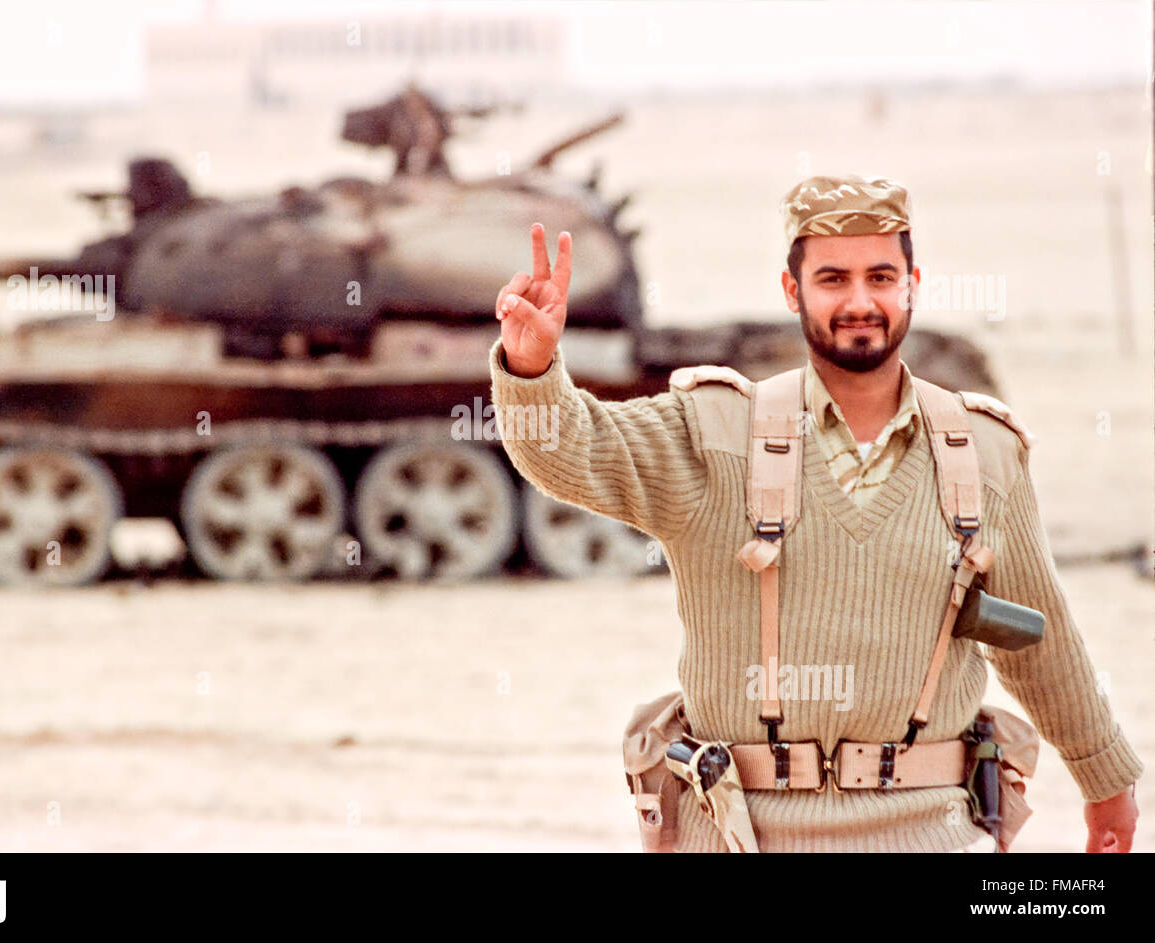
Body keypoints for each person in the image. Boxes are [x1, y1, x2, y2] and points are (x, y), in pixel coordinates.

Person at [488, 175, 1142, 852]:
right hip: (739, 836)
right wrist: (532, 365)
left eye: (880, 276)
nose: (860, 301)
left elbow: (1042, 641)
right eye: (833, 278)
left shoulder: (985, 452)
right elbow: (569, 452)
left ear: (911, 284)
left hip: (930, 835)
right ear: (792, 290)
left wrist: (1107, 782)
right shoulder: (713, 432)